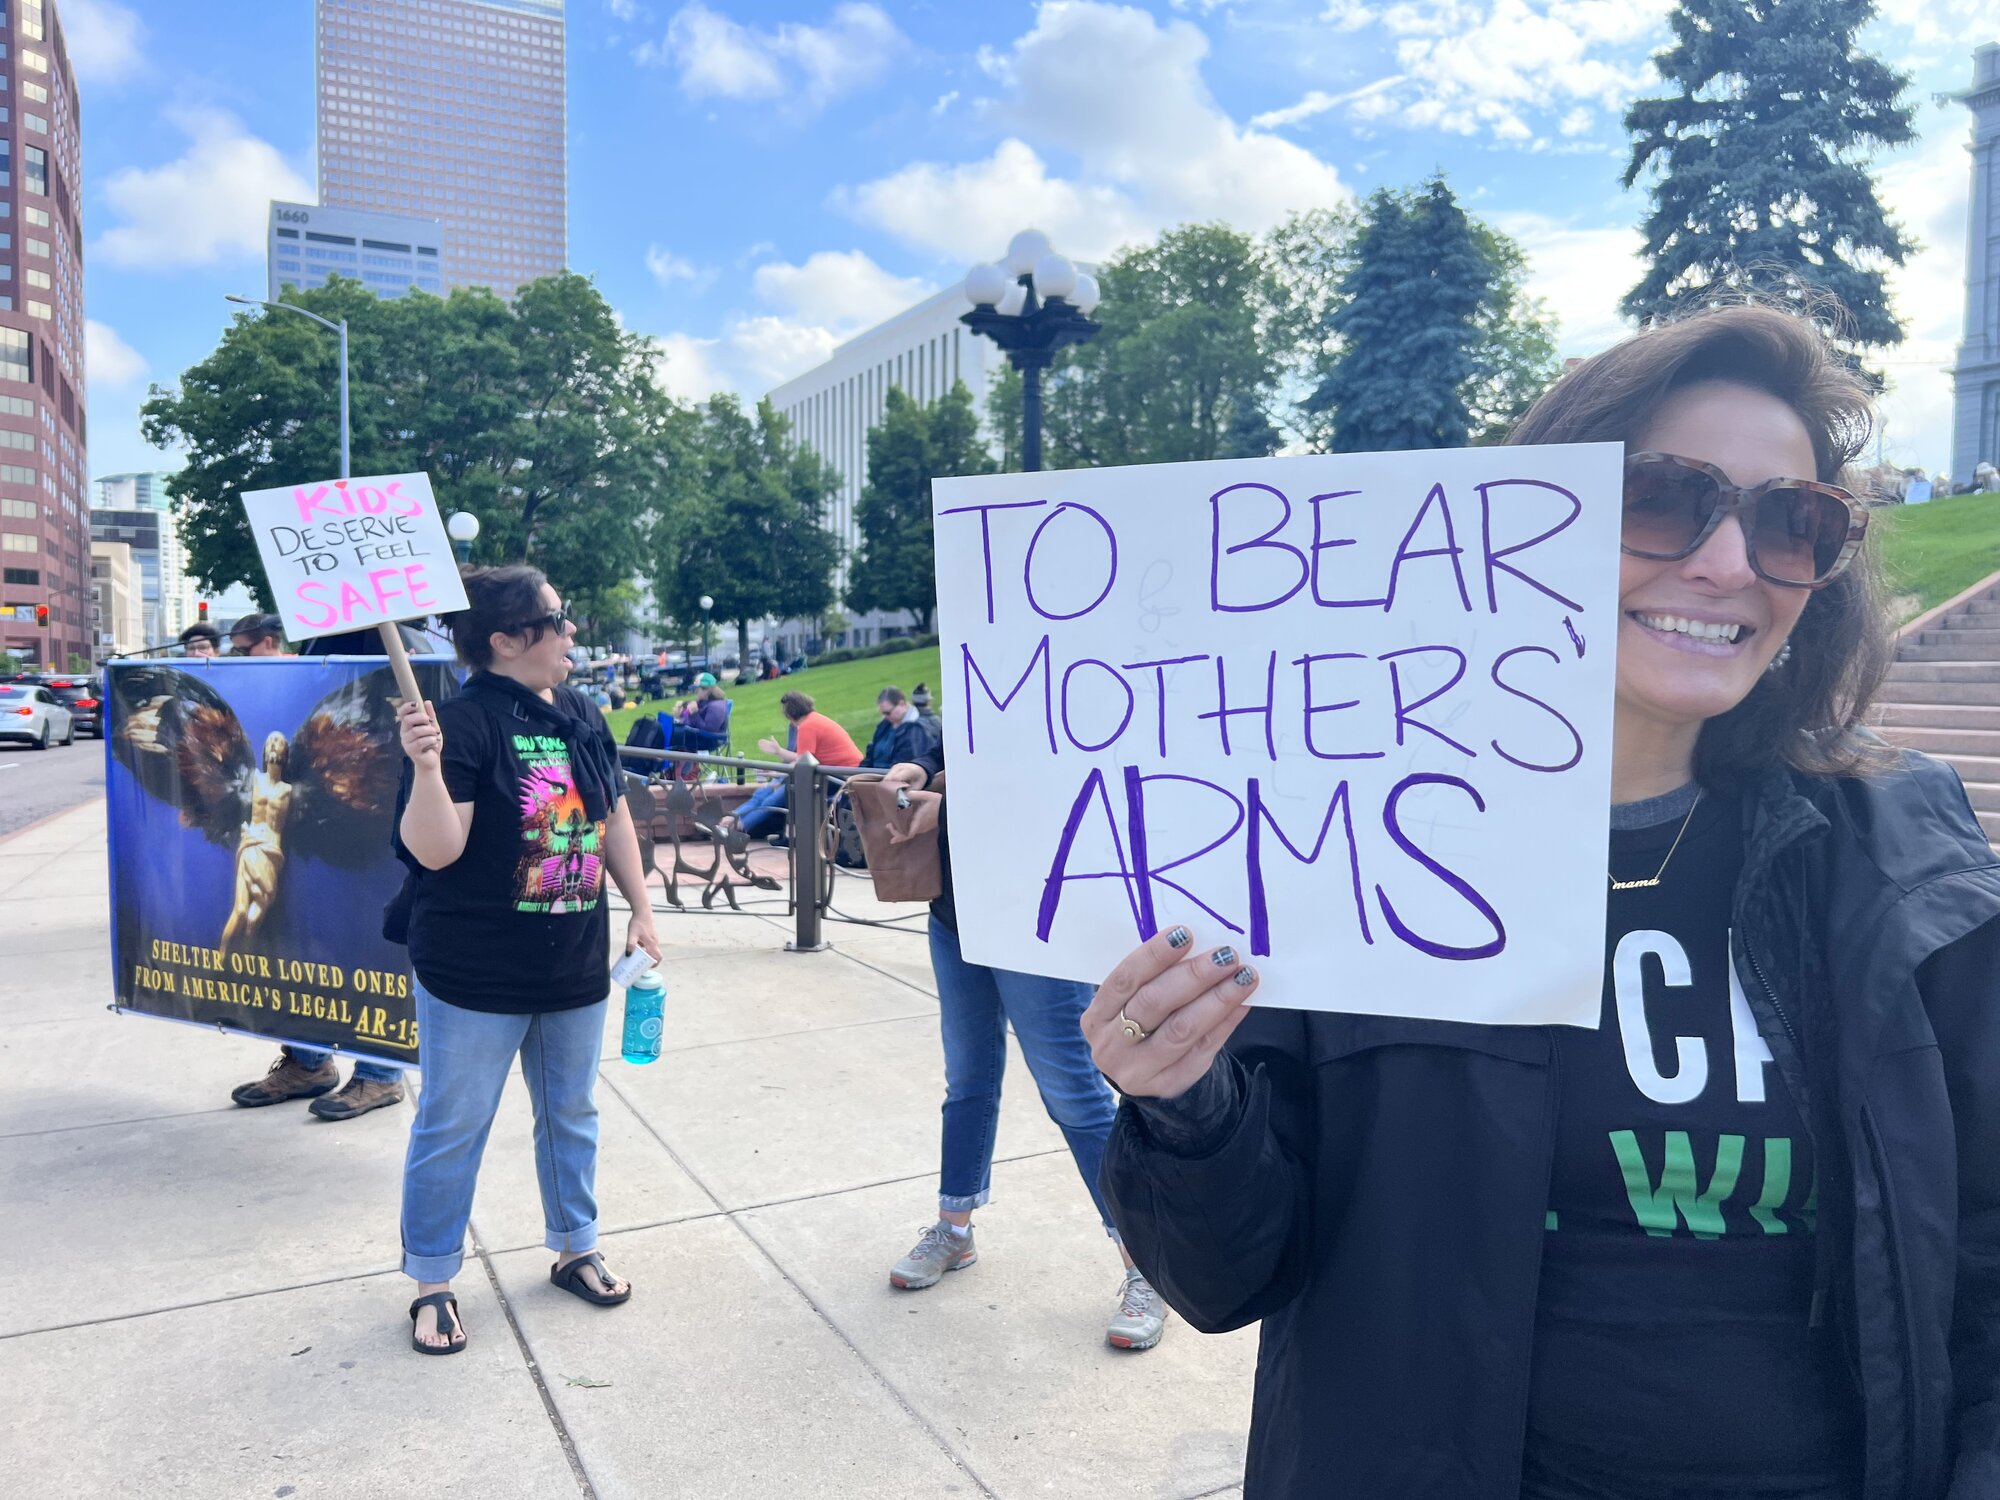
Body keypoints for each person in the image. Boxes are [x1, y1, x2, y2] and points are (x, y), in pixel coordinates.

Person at [1088, 305, 2000, 1498]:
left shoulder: (1899, 845)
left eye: (1792, 520)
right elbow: (1225, 1278)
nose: (1727, 563)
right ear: (1526, 523)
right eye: (1665, 498)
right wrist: (1180, 1106)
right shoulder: (1354, 840)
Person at [391, 564, 662, 1355]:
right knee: (454, 1122)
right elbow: (435, 852)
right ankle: (432, 1281)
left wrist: (641, 909)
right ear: (507, 640)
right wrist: (429, 770)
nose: (571, 630)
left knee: (571, 1112)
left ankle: (576, 1246)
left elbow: (611, 813)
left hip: (574, 959)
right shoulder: (459, 724)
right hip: (475, 971)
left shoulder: (579, 709)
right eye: (558, 616)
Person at [878, 738, 1168, 1351]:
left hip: (1039, 917)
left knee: (1077, 1097)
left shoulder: (1065, 671)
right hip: (955, 913)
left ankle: (1149, 1264)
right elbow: (951, 738)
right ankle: (954, 1229)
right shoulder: (981, 663)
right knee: (968, 1082)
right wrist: (919, 769)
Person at [228, 621, 423, 1120]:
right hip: (309, 845)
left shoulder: (416, 645)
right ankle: (308, 1060)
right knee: (304, 946)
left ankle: (380, 1074)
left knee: (375, 950)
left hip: (385, 837)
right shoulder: (322, 635)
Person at [718, 689, 860, 843]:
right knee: (764, 792)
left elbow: (801, 764)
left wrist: (778, 775)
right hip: (825, 772)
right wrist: (778, 752)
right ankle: (730, 819)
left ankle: (739, 826)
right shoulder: (813, 720)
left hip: (840, 776)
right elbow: (805, 758)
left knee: (774, 796)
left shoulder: (808, 727)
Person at [862, 686, 934, 769]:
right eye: (883, 713)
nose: (885, 716)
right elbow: (870, 756)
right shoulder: (884, 725)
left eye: (888, 713)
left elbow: (904, 765)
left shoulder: (916, 730)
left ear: (902, 704)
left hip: (894, 777)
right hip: (876, 775)